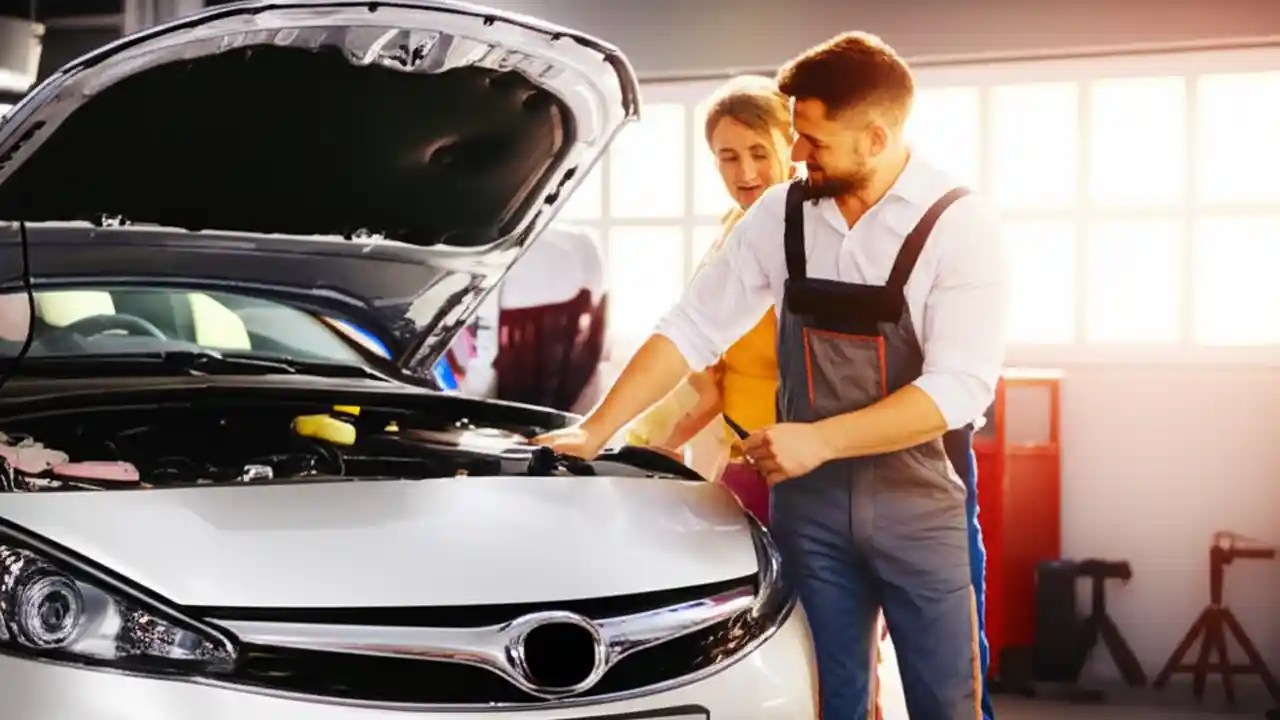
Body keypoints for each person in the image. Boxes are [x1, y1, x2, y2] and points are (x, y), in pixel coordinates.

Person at [534, 31, 1007, 720]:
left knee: (947, 701)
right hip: (808, 513)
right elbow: (690, 327)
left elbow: (960, 387)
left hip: (919, 506)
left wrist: (820, 440)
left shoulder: (958, 227)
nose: (795, 155)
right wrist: (596, 429)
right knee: (824, 700)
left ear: (875, 139)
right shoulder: (778, 217)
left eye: (812, 140)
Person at [623, 74, 791, 522]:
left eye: (760, 153)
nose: (746, 173)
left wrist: (666, 440)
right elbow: (707, 359)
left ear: (791, 149)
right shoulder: (731, 227)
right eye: (729, 157)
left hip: (794, 469)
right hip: (743, 459)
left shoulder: (806, 238)